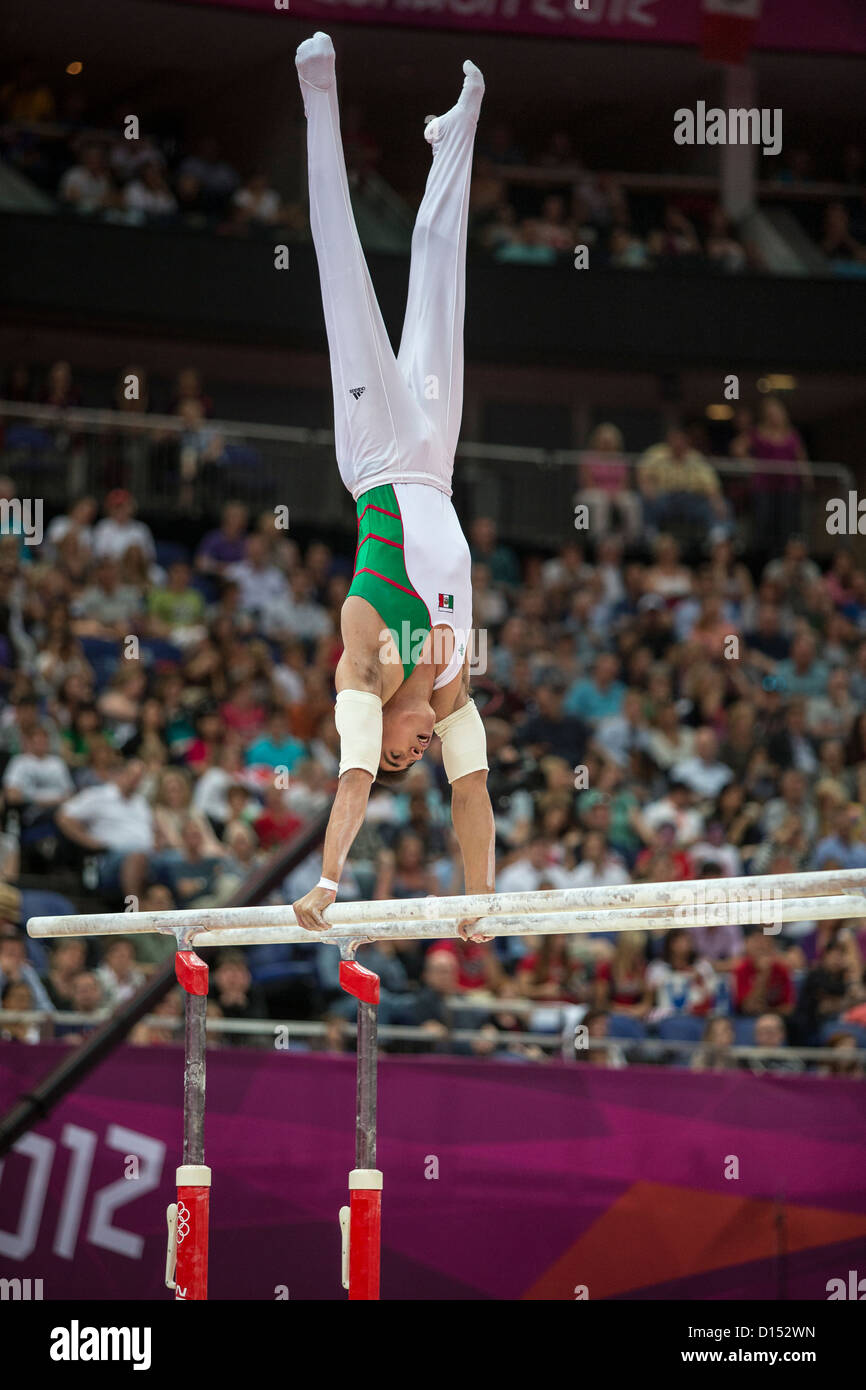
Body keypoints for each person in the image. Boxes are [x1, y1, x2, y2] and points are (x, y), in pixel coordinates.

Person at [290, 34, 494, 943]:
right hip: (439, 455)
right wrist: (479, 902)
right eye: (421, 754)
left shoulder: (365, 671)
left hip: (376, 453)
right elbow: (475, 793)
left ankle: (317, 91)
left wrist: (329, 883)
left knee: (344, 272)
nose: (419, 752)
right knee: (439, 268)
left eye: (408, 753)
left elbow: (353, 779)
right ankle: (459, 132)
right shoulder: (450, 688)